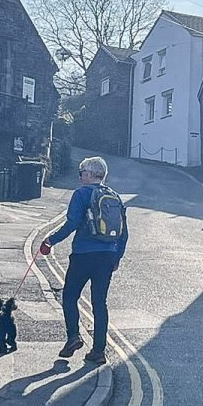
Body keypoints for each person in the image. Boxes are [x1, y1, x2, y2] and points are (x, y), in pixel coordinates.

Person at [40, 156, 127, 364]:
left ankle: (73, 337)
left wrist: (50, 240)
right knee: (100, 303)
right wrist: (117, 256)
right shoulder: (114, 196)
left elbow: (71, 223)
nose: (80, 177)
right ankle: (98, 351)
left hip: (83, 255)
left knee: (70, 296)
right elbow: (124, 233)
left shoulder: (81, 194)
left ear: (90, 174)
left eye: (82, 173)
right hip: (107, 256)